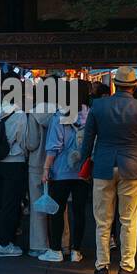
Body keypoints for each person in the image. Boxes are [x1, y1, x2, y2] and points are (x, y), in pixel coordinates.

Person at [80, 66, 137, 274]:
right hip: (131, 167)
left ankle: (101, 267)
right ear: (134, 86)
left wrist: (83, 164)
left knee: (102, 220)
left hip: (103, 166)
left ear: (115, 84)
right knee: (128, 220)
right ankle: (126, 268)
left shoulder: (98, 106)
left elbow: (87, 140)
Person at [40, 80, 91, 263]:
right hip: (83, 171)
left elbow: (53, 147)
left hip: (60, 171)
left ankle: (56, 250)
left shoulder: (59, 116)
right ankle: (76, 251)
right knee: (79, 212)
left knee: (57, 211)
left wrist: (46, 169)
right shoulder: (90, 115)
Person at [0, 71, 27, 257]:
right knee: (10, 204)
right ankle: (4, 243)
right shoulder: (19, 114)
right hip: (14, 162)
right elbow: (23, 141)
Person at [24, 70, 67, 258]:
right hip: (59, 165)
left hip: (37, 164)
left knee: (37, 206)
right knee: (60, 207)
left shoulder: (35, 112)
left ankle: (39, 244)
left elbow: (32, 143)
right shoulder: (66, 112)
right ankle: (63, 243)